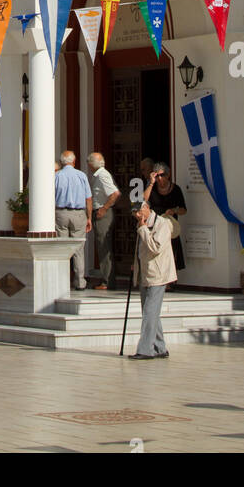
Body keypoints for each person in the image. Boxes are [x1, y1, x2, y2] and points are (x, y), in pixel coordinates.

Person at [128, 199, 176, 360]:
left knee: (149, 312)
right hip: (145, 274)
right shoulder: (142, 224)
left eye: (140, 211)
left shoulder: (162, 224)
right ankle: (160, 347)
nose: (137, 215)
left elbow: (155, 247)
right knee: (150, 312)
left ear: (147, 208)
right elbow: (140, 249)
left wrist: (142, 229)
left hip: (158, 274)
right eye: (135, 212)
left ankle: (145, 350)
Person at [54, 150, 92, 291]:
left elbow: (51, 196)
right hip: (78, 214)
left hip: (61, 213)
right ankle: (80, 282)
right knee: (78, 249)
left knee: (62, 248)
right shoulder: (81, 176)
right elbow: (88, 198)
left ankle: (62, 281)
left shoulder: (56, 176)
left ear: (62, 162)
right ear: (74, 162)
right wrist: (89, 218)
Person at [144, 161, 187, 279]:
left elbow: (184, 210)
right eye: (156, 175)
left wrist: (174, 210)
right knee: (157, 253)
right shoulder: (152, 189)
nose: (159, 178)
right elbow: (143, 200)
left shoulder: (176, 189)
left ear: (168, 175)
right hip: (155, 226)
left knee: (171, 254)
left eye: (162, 175)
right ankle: (160, 279)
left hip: (169, 227)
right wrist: (151, 184)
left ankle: (170, 280)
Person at [87, 152, 119, 290]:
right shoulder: (98, 175)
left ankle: (107, 281)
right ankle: (106, 279)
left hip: (102, 214)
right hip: (98, 213)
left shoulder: (102, 175)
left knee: (104, 246)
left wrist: (104, 209)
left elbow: (115, 193)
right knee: (101, 246)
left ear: (91, 164)